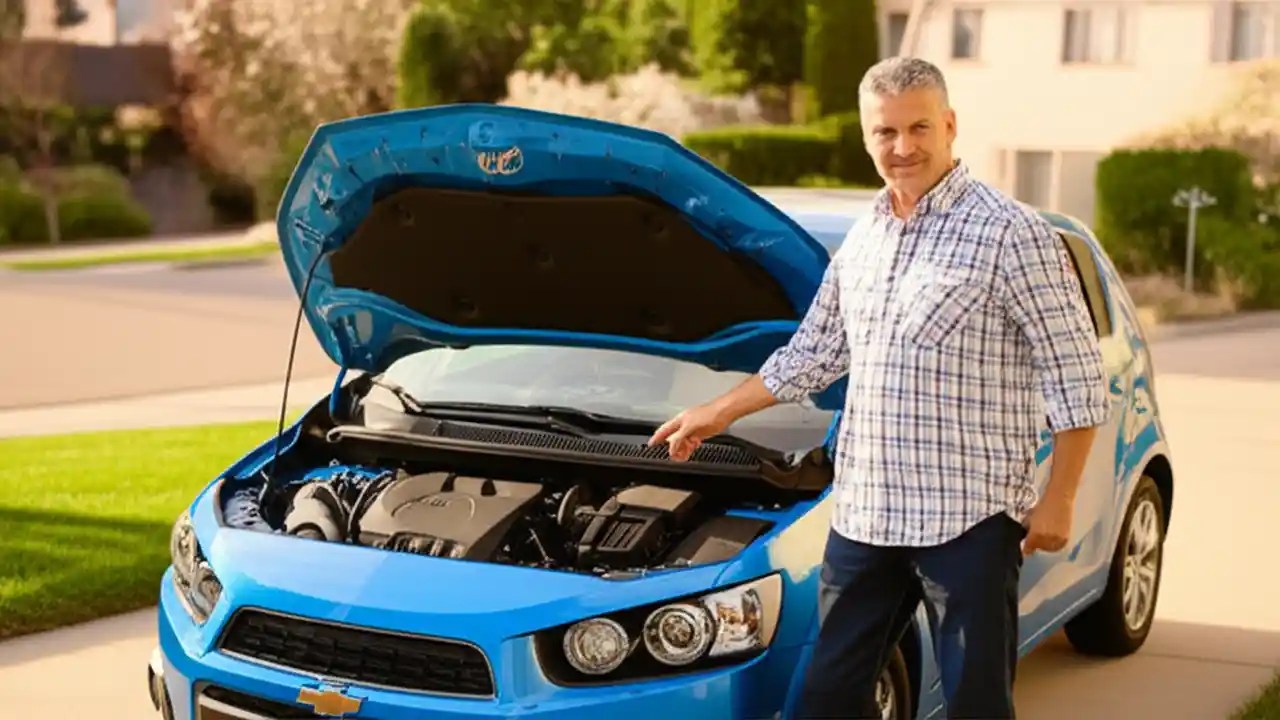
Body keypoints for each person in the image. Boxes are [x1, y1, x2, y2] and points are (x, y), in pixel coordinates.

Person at [647, 57, 1110, 719]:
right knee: (826, 701)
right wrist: (715, 413)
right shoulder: (863, 239)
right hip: (867, 518)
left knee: (977, 703)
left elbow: (1076, 371)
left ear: (950, 126)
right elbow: (812, 354)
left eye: (919, 127)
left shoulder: (1013, 234)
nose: (903, 147)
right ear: (867, 137)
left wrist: (1058, 497)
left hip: (969, 521)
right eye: (885, 132)